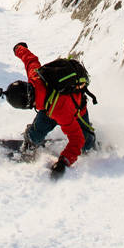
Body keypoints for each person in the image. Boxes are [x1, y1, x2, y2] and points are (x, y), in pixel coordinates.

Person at [12, 42, 96, 178]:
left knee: (85, 143)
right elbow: (30, 60)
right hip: (48, 108)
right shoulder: (35, 78)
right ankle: (32, 139)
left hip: (75, 111)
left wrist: (64, 161)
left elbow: (76, 139)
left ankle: (31, 142)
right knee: (36, 133)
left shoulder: (60, 110)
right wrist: (19, 49)